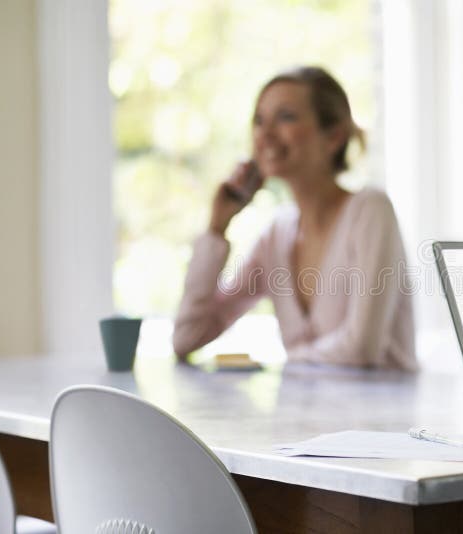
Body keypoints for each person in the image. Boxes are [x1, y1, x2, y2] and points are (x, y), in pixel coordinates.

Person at [173, 66, 416, 371]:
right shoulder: (278, 234)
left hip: (385, 418)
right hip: (310, 418)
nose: (266, 134)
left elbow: (361, 349)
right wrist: (216, 229)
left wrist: (287, 363)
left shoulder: (370, 212)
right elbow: (186, 338)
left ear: (334, 136)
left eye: (285, 117)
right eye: (259, 121)